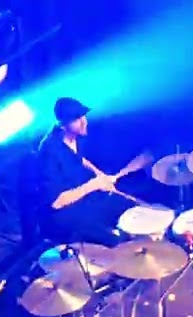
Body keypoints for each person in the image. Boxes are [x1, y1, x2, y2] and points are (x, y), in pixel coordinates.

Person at [36, 97, 135, 245]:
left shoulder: (76, 138)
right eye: (77, 119)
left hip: (84, 199)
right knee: (117, 241)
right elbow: (56, 202)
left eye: (84, 116)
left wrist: (101, 176)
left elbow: (79, 160)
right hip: (64, 213)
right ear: (63, 125)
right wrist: (93, 185)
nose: (84, 122)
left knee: (129, 207)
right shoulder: (49, 152)